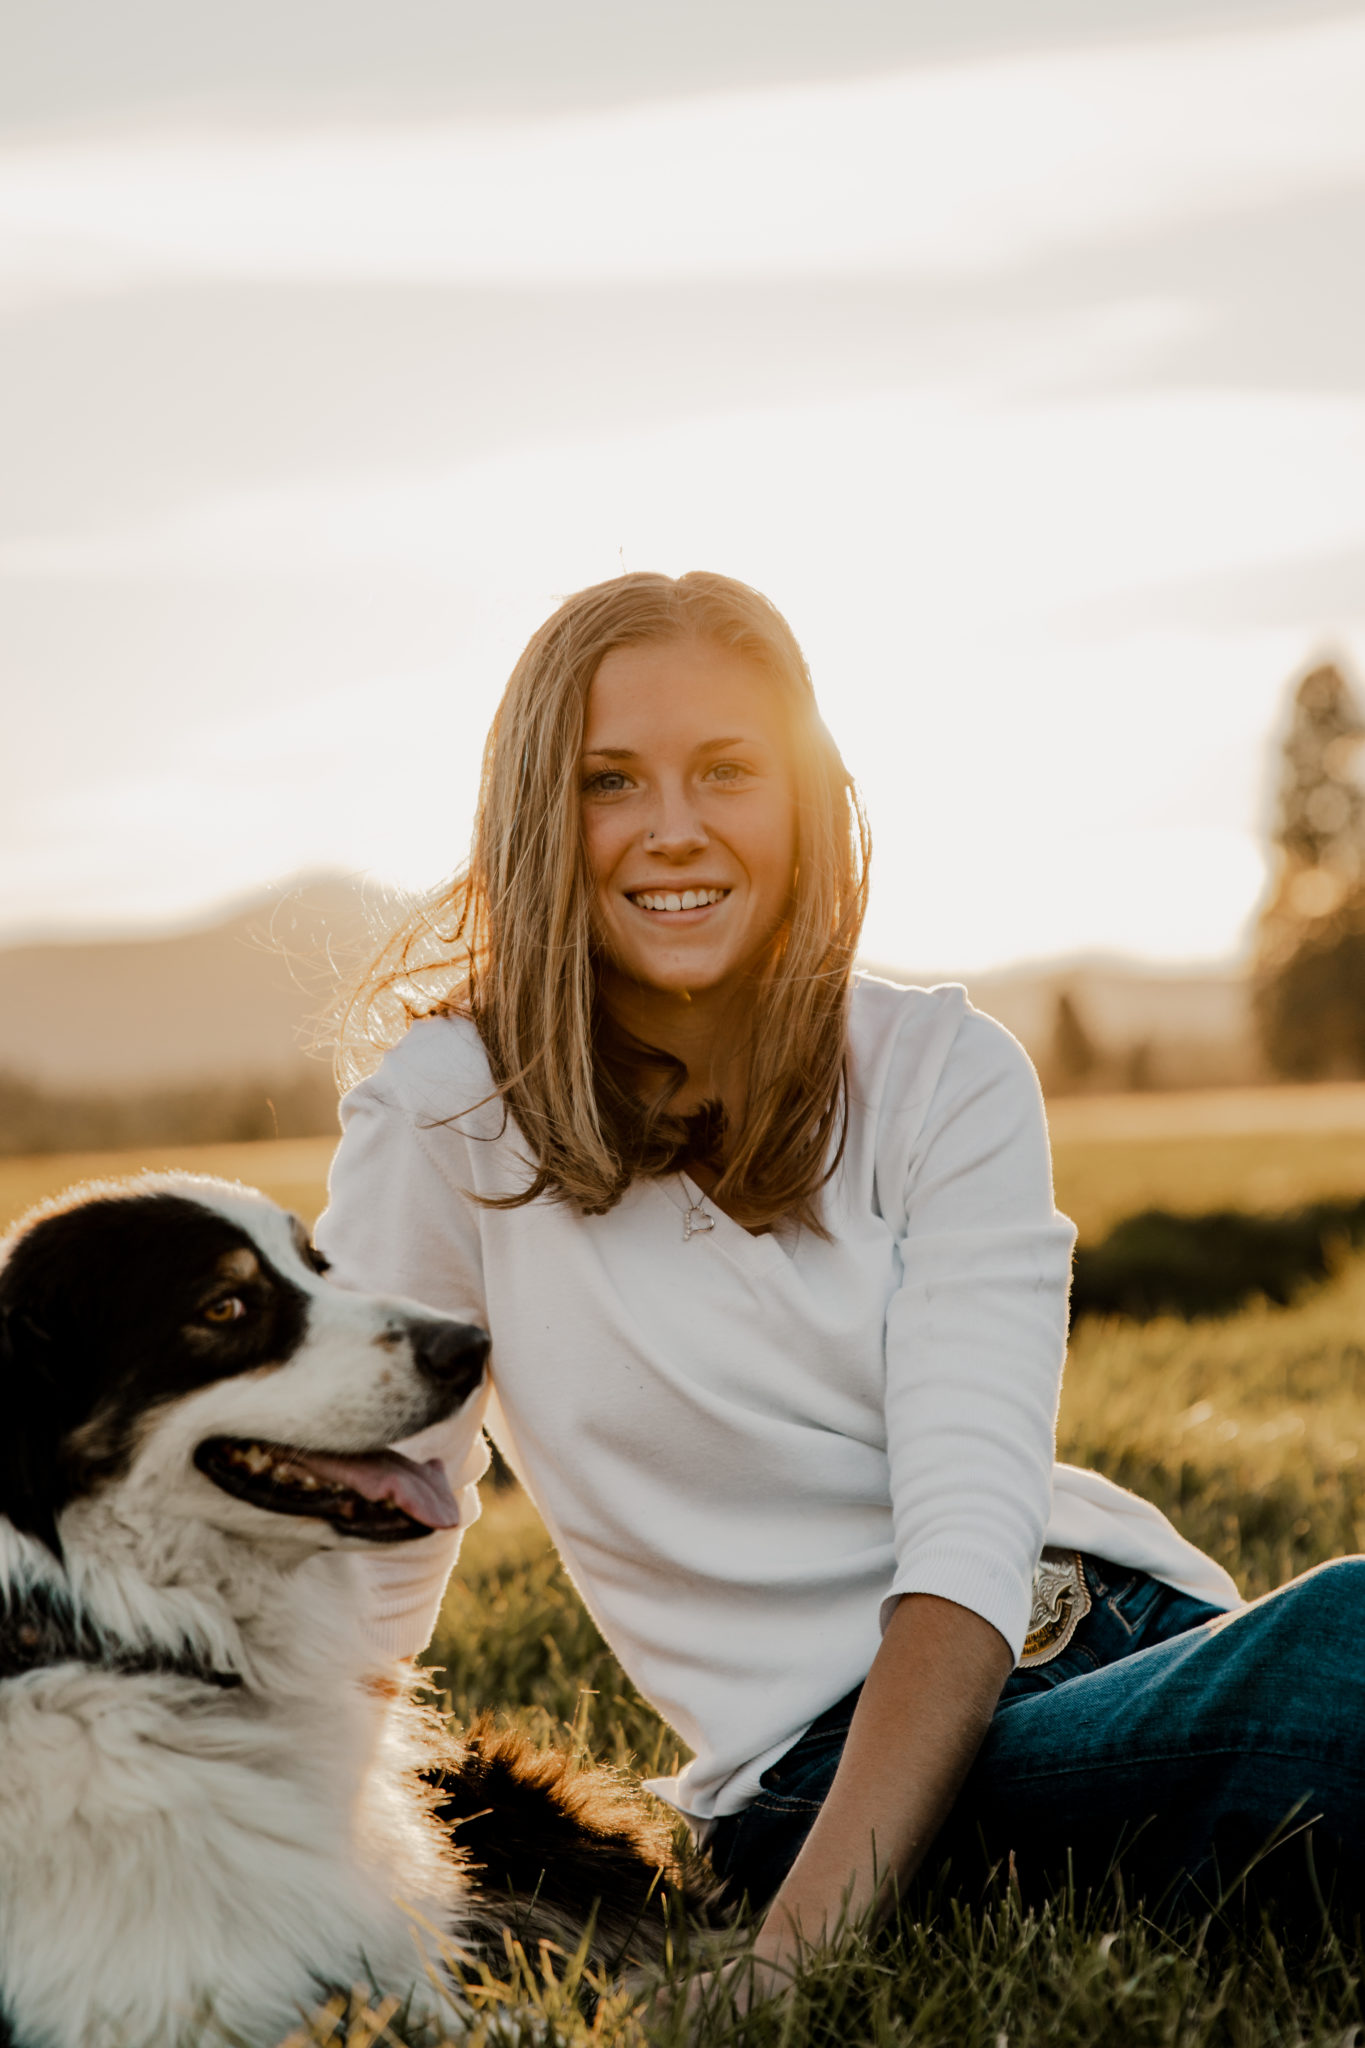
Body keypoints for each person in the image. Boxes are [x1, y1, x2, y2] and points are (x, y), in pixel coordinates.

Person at [316, 571, 1364, 1992]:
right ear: (536, 819)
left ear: (803, 798)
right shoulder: (446, 1111)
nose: (673, 828)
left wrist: (782, 1969)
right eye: (608, 779)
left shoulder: (945, 1073)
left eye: (727, 771)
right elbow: (377, 1522)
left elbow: (968, 1527)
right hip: (827, 1764)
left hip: (1134, 1638)